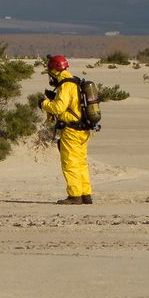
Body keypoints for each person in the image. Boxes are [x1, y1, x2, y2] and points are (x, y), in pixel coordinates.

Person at [39, 54, 93, 205]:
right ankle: (85, 194)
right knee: (81, 162)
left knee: (70, 163)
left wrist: (44, 104)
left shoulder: (66, 85)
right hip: (84, 130)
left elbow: (58, 107)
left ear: (54, 70)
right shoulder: (75, 82)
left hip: (71, 131)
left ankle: (75, 196)